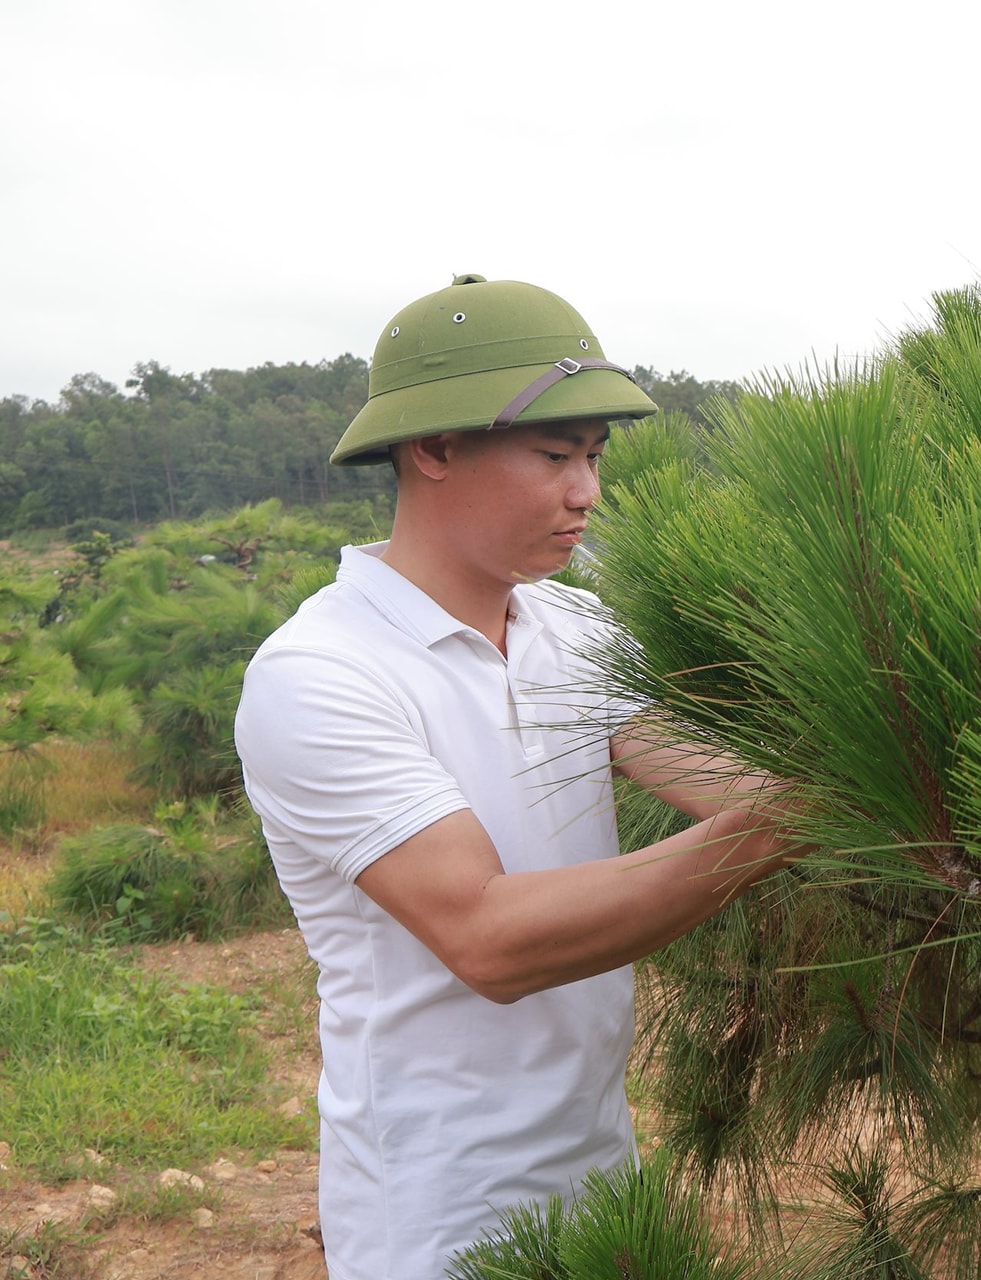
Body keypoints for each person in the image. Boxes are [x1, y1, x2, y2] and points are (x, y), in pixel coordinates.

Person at [234, 275, 798, 1279]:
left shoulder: (575, 628)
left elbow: (719, 776)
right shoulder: (320, 674)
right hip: (438, 1204)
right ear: (435, 447)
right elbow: (486, 935)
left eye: (592, 456)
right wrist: (778, 826)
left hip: (599, 1159)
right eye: (552, 456)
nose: (585, 491)